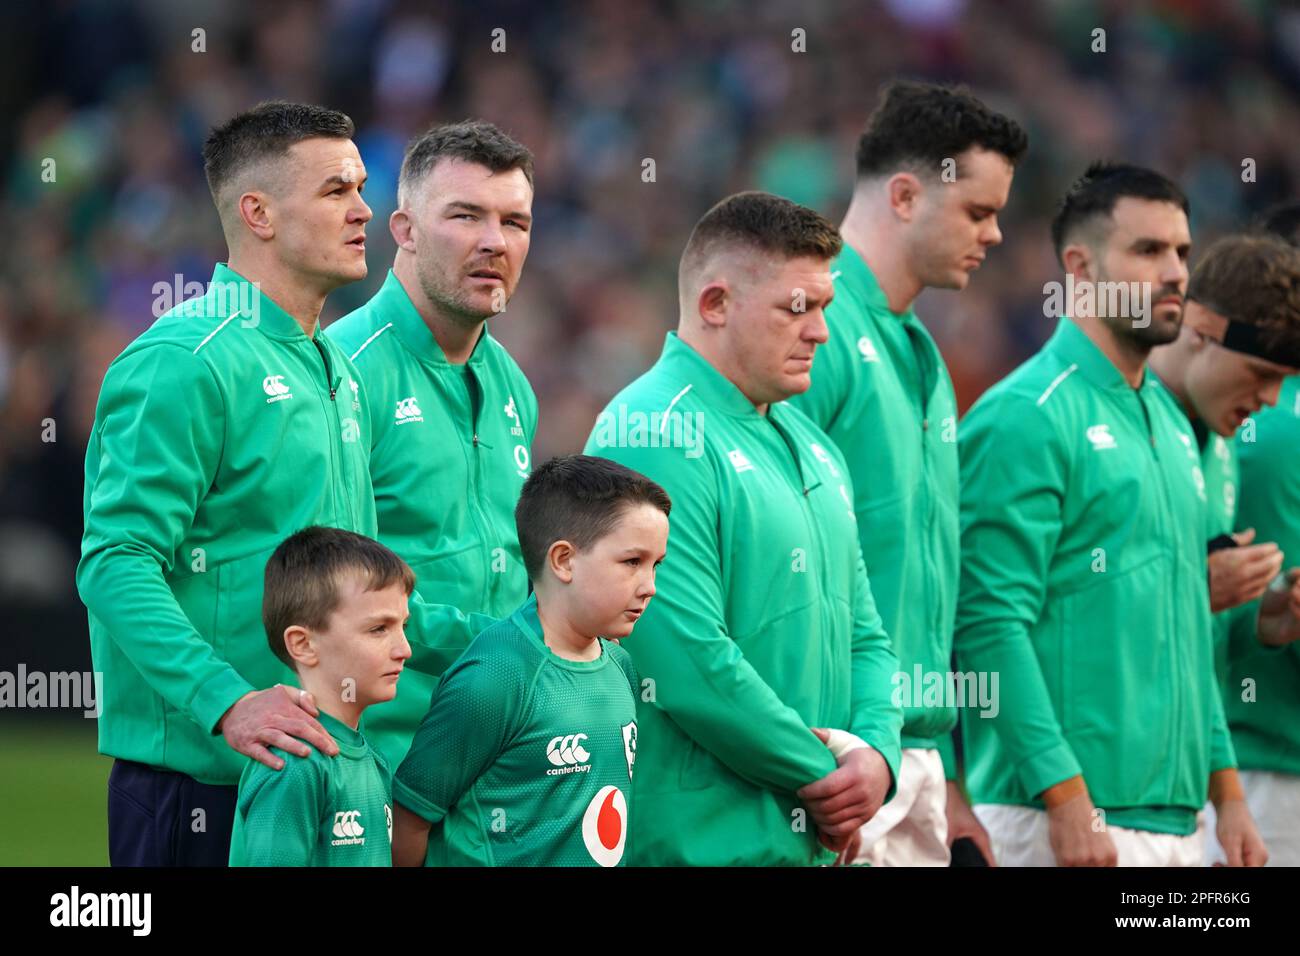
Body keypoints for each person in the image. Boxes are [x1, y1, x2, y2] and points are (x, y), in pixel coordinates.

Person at [78, 101, 492, 867]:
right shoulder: (184, 360)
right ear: (258, 213)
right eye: (336, 190)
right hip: (207, 788)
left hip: (328, 777)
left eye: (363, 186)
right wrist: (226, 701)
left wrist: (511, 642)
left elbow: (357, 593)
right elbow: (115, 561)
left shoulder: (332, 366)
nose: (365, 208)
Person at [954, 162, 1266, 866]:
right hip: (1056, 818)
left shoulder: (1168, 418)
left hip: (1179, 820)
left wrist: (1230, 799)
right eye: (1148, 251)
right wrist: (1066, 799)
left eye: (1183, 252)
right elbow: (987, 622)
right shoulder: (1024, 416)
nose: (1177, 273)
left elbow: (1191, 631)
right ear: (1080, 265)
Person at [584, 191, 903, 866]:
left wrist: (876, 755)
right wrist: (824, 773)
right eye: (798, 307)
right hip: (698, 843)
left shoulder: (816, 446)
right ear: (715, 304)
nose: (819, 330)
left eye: (825, 308)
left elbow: (868, 637)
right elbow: (686, 660)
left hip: (809, 841)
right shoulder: (653, 431)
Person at [790, 79, 1027, 865]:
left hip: (914, 757)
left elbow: (927, 585)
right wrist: (809, 752)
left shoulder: (923, 350)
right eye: (978, 211)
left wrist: (945, 773)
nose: (994, 234)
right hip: (840, 758)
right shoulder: (807, 331)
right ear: (903, 194)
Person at [326, 120, 537, 770]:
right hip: (378, 767)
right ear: (405, 231)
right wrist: (514, 642)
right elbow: (329, 588)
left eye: (516, 222)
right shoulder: (340, 373)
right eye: (466, 216)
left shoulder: (514, 387)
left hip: (495, 768)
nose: (494, 242)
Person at [392, 455, 667, 866]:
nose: (650, 587)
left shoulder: (620, 666)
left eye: (656, 565)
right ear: (563, 560)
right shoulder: (495, 675)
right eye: (632, 562)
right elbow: (409, 820)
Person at [230, 527, 413, 866]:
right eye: (378, 629)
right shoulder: (293, 764)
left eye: (404, 626)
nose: (404, 649)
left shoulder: (374, 761)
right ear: (303, 644)